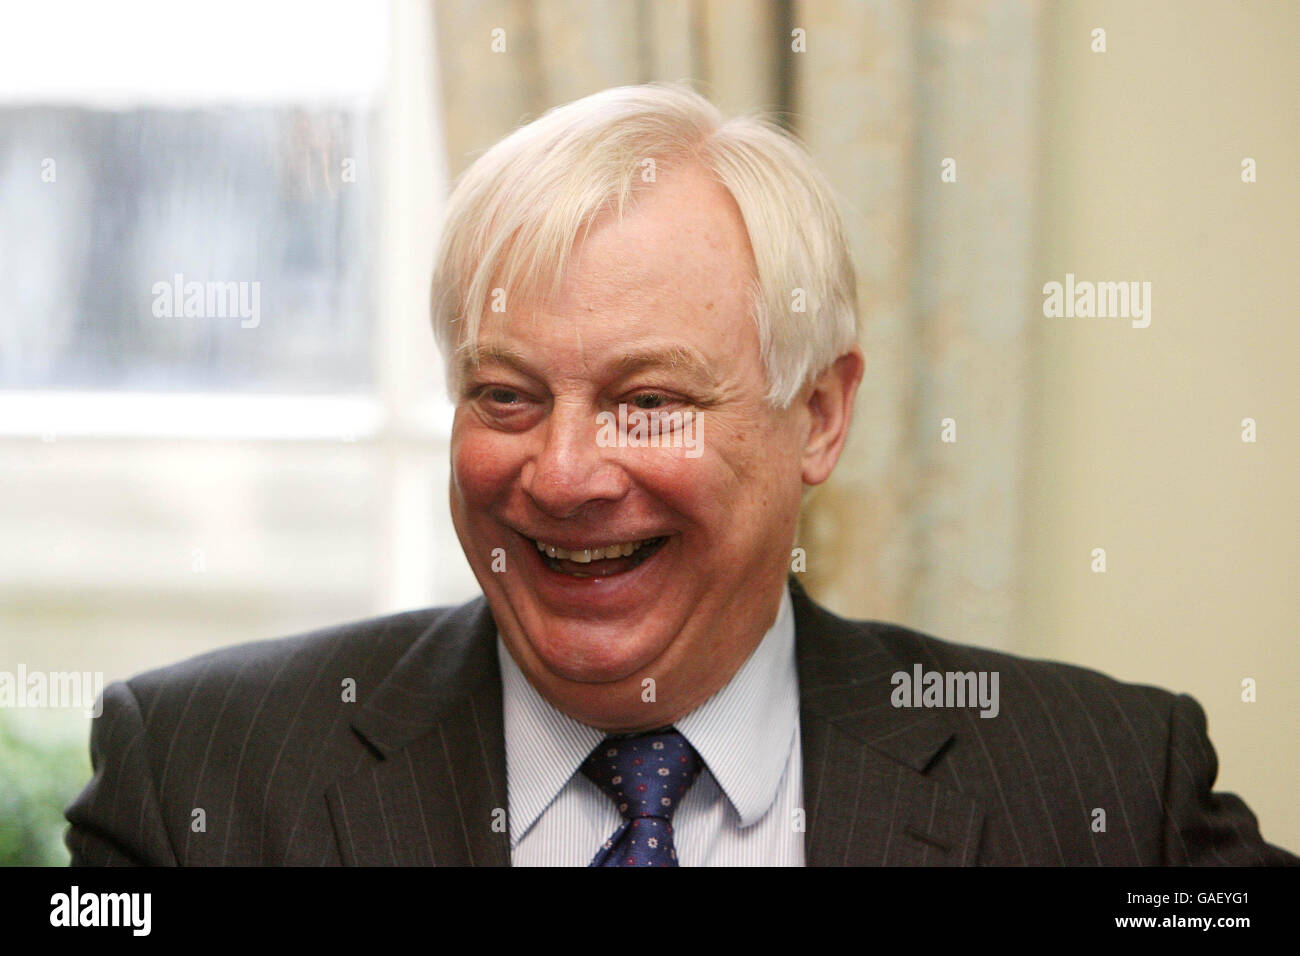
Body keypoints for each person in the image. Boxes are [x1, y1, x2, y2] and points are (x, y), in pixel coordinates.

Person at [65, 84, 1295, 866]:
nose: (562, 472)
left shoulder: (1098, 787)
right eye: (506, 394)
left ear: (817, 415)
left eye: (649, 401)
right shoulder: (200, 779)